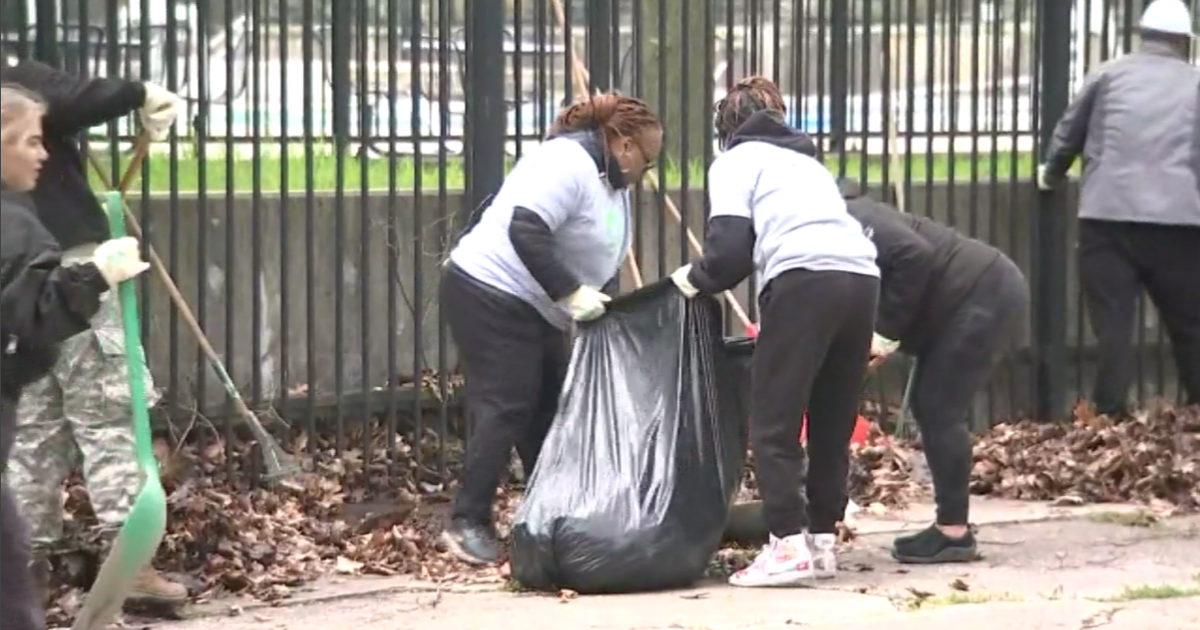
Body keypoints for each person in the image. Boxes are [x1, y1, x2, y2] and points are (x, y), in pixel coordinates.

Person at [668, 77, 879, 586]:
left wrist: (688, 280)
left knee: (774, 420)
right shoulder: (807, 164)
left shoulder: (736, 161)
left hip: (803, 281)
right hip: (862, 279)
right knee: (832, 417)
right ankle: (822, 540)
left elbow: (729, 254)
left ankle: (786, 542)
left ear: (727, 129)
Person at [440, 92, 662, 565]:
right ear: (623, 145)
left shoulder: (609, 183)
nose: (647, 172)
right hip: (490, 291)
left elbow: (601, 246)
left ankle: (547, 515)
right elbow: (526, 229)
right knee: (507, 405)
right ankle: (467, 521)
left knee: (553, 408)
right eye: (648, 159)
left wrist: (599, 302)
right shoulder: (567, 163)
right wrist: (570, 292)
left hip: (538, 304)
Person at [0, 59, 189, 604]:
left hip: (29, 287)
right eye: (32, 141)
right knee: (109, 415)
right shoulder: (15, 93)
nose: (40, 151)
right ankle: (130, 563)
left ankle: (29, 566)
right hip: (72, 270)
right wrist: (138, 92)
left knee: (32, 425)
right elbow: (62, 92)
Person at [837, 179, 1029, 563]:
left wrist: (885, 334)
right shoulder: (830, 224)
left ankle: (954, 532)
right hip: (955, 305)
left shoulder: (851, 216)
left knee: (938, 407)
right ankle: (951, 529)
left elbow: (914, 254)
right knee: (932, 407)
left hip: (980, 291)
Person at [1037, 0, 1200, 416]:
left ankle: (1110, 415)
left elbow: (1069, 131)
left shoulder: (1108, 74)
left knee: (1113, 328)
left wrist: (1052, 174)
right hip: (1178, 223)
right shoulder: (1196, 84)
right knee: (1189, 325)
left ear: (1142, 35)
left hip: (1106, 217)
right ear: (1185, 40)